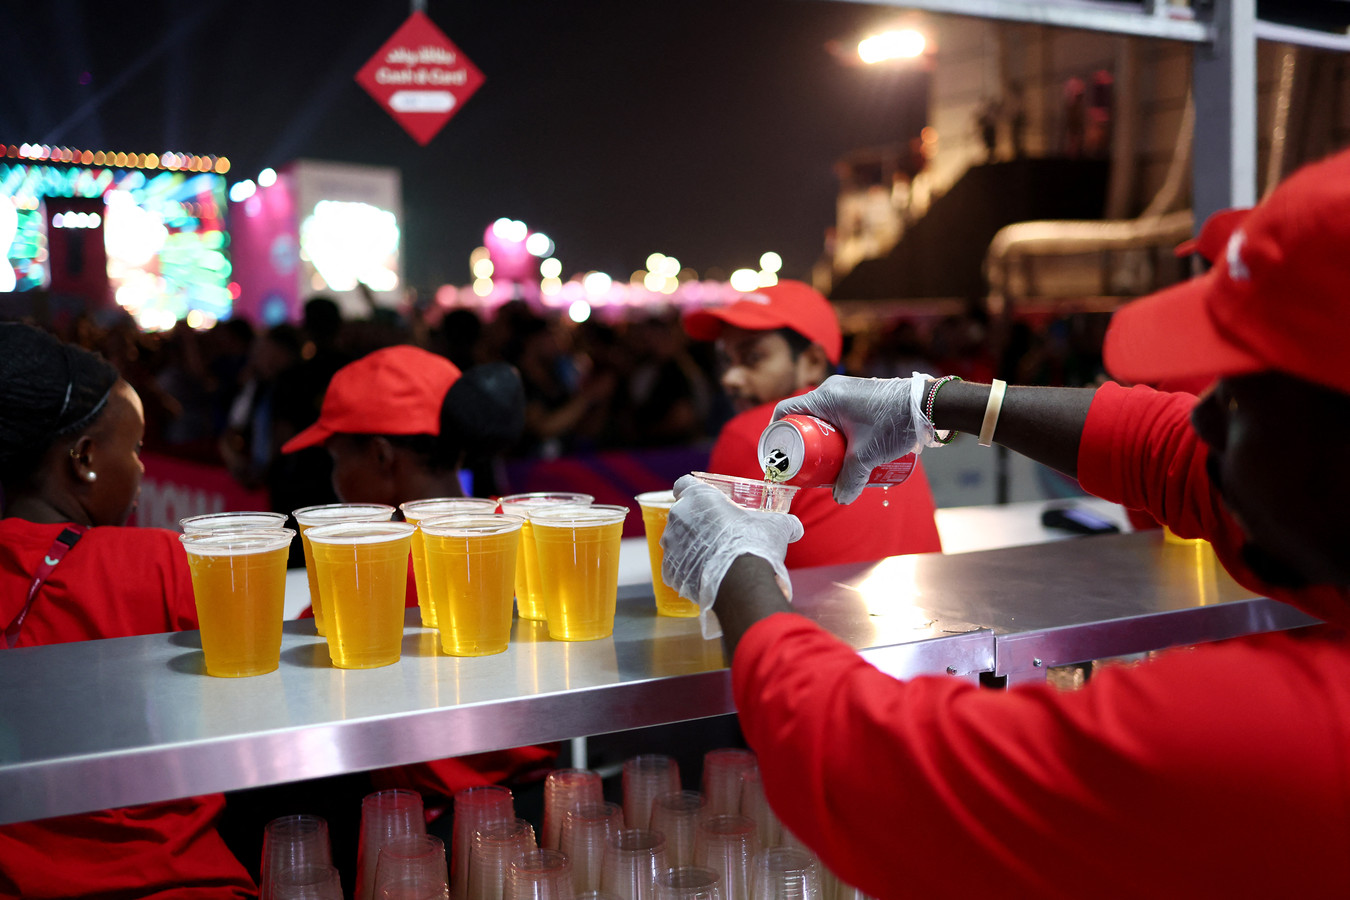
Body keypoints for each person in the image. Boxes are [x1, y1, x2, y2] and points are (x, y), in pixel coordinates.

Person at [659, 148, 1350, 896]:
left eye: (1239, 393)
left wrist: (734, 566)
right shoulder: (1316, 497)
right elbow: (1165, 449)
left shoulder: (1272, 740)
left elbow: (877, 773)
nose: (1204, 414)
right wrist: (934, 402)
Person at [0, 323, 254, 898]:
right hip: (179, 884)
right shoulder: (157, 561)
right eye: (136, 449)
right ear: (85, 458)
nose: (141, 471)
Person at [276, 345, 555, 805]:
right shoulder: (525, 534)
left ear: (383, 457)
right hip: (547, 801)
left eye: (336, 459)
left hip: (428, 833)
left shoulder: (365, 567)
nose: (335, 479)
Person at [681, 279, 941, 568]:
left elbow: (718, 571)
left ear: (813, 362)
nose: (730, 378)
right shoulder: (882, 425)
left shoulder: (758, 432)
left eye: (753, 357)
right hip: (928, 605)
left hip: (815, 613)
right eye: (727, 361)